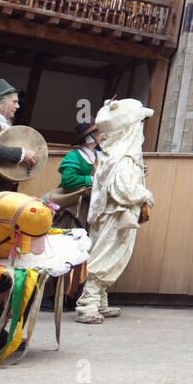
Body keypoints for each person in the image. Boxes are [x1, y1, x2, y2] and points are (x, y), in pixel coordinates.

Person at [76, 98, 155, 324]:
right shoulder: (123, 158)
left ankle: (100, 301)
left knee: (109, 254)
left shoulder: (114, 154)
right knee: (106, 256)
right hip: (116, 215)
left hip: (109, 215)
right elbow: (122, 190)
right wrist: (144, 195)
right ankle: (87, 303)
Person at [0, 79, 40, 194]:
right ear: (1, 103)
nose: (18, 106)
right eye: (14, 102)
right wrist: (22, 154)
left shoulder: (2, 124)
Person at [46, 122, 99, 231]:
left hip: (94, 205)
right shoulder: (74, 156)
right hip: (74, 206)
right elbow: (67, 180)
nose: (103, 134)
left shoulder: (101, 156)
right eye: (98, 132)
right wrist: (90, 179)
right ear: (89, 137)